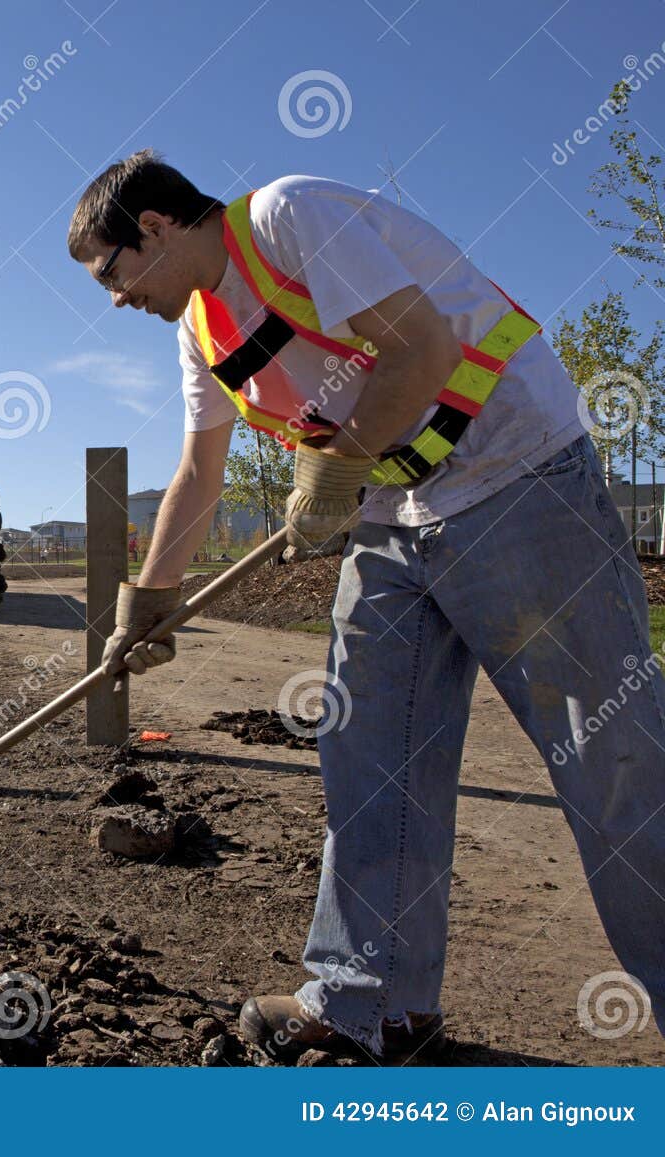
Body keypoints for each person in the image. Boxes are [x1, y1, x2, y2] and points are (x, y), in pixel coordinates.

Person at [71, 151, 665, 1059]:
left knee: (611, 754)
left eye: (111, 272)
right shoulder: (199, 329)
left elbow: (421, 346)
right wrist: (150, 598)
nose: (113, 298)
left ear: (153, 227)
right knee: (370, 749)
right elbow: (200, 471)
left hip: (518, 473)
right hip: (395, 511)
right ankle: (371, 1004)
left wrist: (339, 462)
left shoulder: (289, 218)